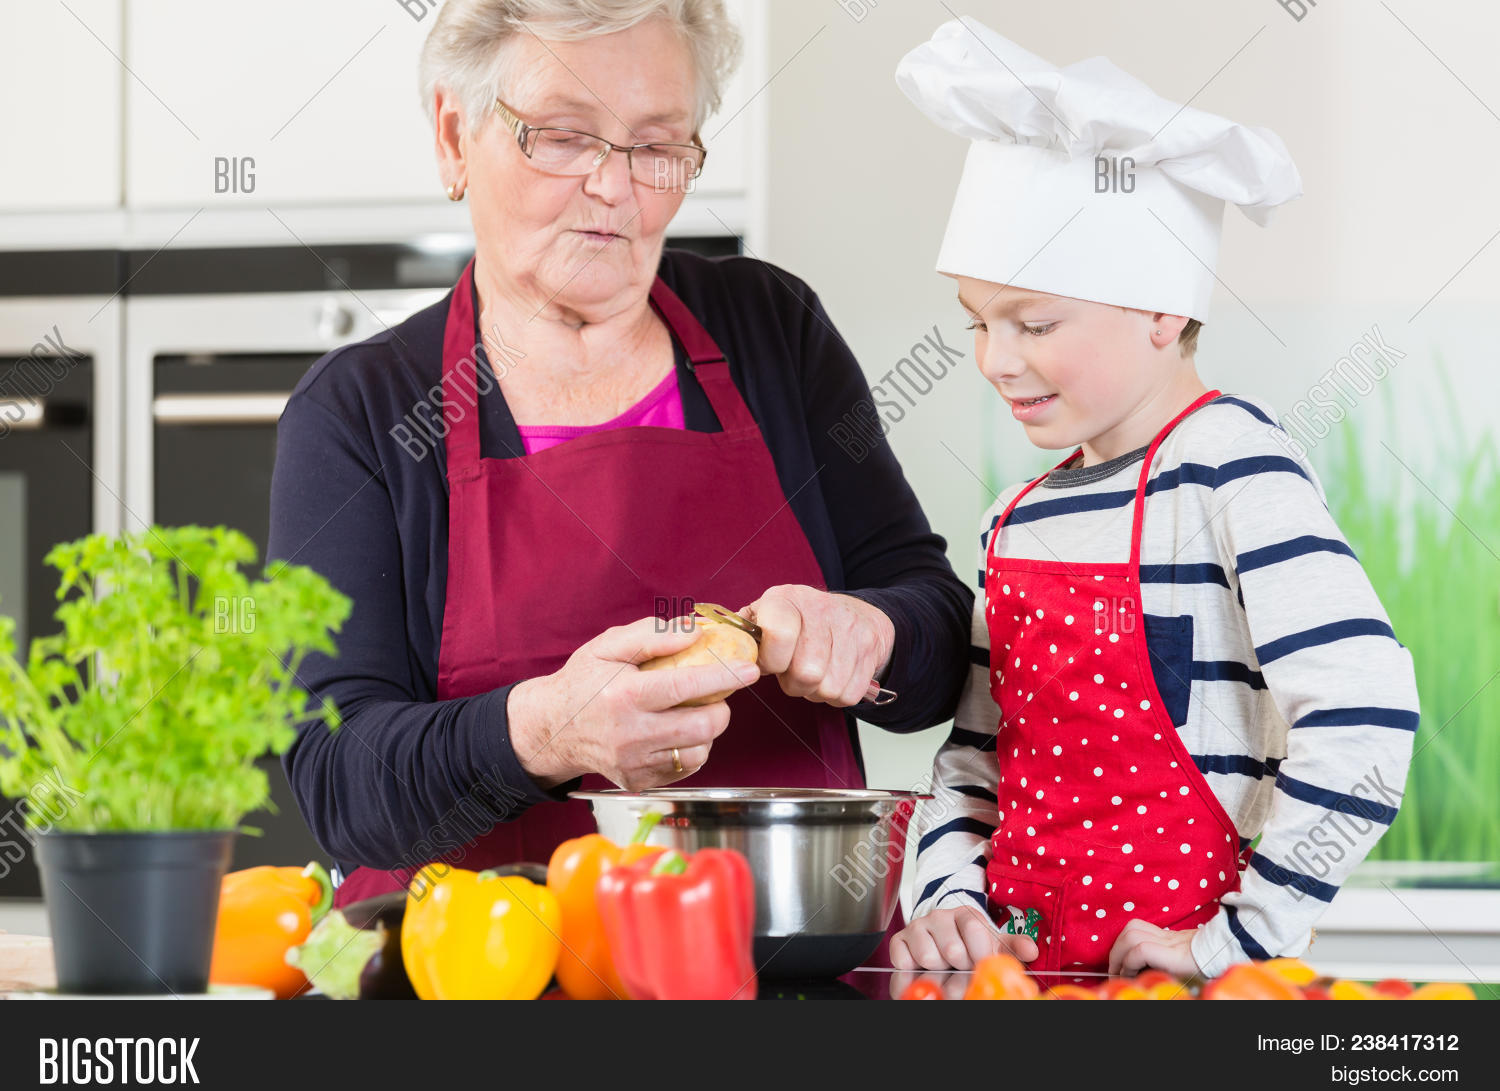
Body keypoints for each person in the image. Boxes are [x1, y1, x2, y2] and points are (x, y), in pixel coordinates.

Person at [266, 0, 971, 908]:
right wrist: (545, 734)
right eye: (563, 137)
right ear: (453, 136)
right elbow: (338, 782)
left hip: (789, 955)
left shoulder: (772, 330)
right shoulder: (362, 410)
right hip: (486, 967)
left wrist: (873, 633)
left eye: (657, 146)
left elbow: (939, 640)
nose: (614, 186)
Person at [888, 18, 1418, 977]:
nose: (995, 360)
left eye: (1034, 323)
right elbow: (975, 762)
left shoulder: (1232, 472)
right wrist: (949, 899)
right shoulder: (1014, 517)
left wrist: (1238, 943)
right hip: (1022, 989)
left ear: (1163, 311)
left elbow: (1368, 718)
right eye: (977, 324)